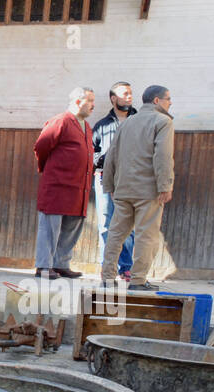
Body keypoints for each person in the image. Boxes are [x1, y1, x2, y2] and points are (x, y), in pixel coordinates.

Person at [101, 85, 175, 290]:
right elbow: (163, 157)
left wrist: (109, 185)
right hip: (148, 190)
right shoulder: (163, 121)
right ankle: (138, 280)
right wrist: (165, 185)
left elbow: (111, 155)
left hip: (123, 188)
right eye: (168, 99)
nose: (171, 103)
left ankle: (107, 277)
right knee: (146, 235)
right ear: (157, 101)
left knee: (116, 234)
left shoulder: (127, 122)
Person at [33, 87, 96, 279]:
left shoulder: (86, 126)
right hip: (57, 185)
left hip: (79, 187)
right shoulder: (60, 121)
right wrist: (51, 169)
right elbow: (41, 146)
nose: (93, 105)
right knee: (50, 228)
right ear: (78, 101)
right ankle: (44, 266)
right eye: (90, 101)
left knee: (72, 227)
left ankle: (61, 264)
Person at [92, 82, 136, 281]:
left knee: (128, 224)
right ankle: (106, 267)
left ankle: (126, 268)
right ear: (113, 98)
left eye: (130, 94)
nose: (129, 97)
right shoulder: (102, 126)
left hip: (131, 179)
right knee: (106, 224)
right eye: (124, 94)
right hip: (104, 179)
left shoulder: (139, 121)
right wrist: (104, 161)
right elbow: (92, 154)